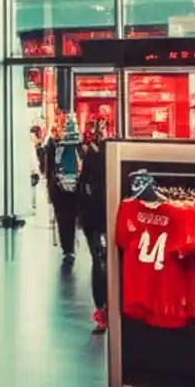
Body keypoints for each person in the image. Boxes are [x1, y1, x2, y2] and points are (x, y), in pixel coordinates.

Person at [78, 120, 109, 334]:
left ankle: (102, 310)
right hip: (100, 215)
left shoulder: (91, 156)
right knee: (101, 262)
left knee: (99, 261)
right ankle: (103, 310)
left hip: (94, 216)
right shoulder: (97, 156)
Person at [40, 112, 81, 265]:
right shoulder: (81, 149)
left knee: (64, 221)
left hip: (60, 192)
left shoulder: (57, 149)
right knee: (73, 220)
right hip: (77, 191)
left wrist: (51, 191)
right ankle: (72, 248)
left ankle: (68, 249)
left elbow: (49, 170)